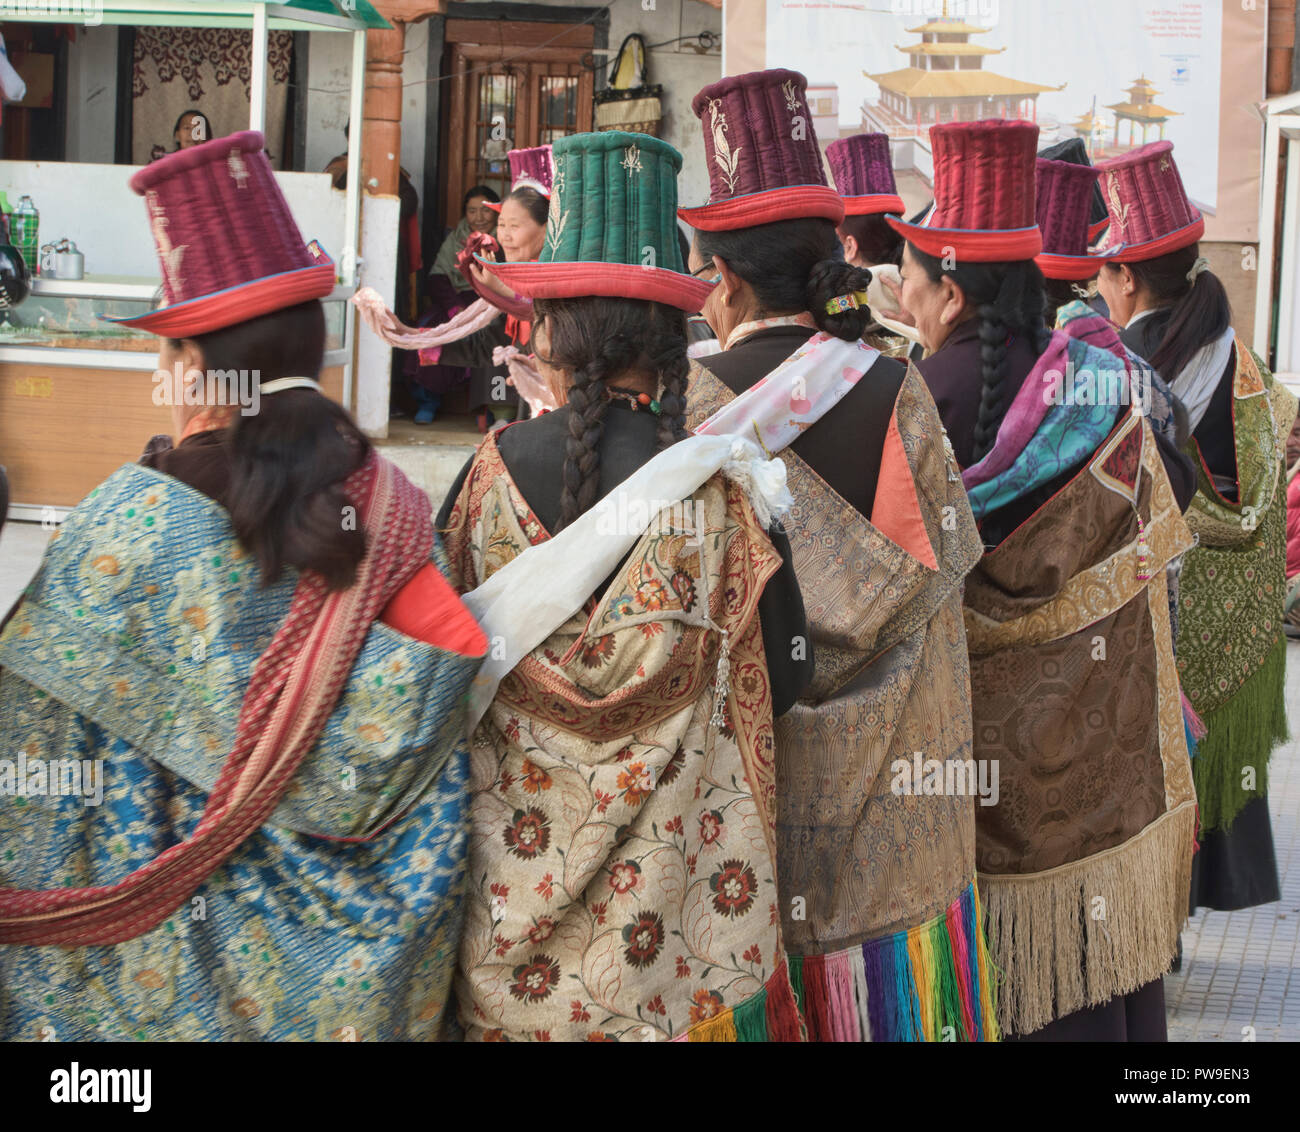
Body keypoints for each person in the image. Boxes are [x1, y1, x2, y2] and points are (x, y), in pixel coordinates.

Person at [0, 131, 486, 1041]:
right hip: (334, 978)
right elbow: (426, 728)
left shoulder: (126, 527)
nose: (158, 376)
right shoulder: (391, 508)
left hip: (145, 967)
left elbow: (30, 770)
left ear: (196, 367)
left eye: (166, 350)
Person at [437, 130, 811, 1042]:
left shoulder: (486, 479)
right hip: (669, 952)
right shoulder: (724, 498)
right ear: (668, 336)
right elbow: (788, 677)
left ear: (551, 331)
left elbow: (432, 672)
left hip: (504, 931)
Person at [681, 69, 997, 1042]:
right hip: (886, 805)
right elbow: (951, 573)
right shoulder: (895, 390)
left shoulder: (686, 419)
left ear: (722, 279)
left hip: (751, 801)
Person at [894, 119, 1198, 1042]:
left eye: (907, 277)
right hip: (1093, 752)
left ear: (950, 292)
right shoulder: (1105, 388)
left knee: (995, 973)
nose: (897, 295)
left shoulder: (911, 404)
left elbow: (880, 586)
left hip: (966, 760)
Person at [1097, 141, 1299, 914]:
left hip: (1155, 599)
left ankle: (1155, 922)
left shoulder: (1117, 365)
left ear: (1126, 276)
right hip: (1233, 603)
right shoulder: (1238, 359)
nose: (1097, 287)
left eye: (1103, 272)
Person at [407, 185, 501, 424]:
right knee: (432, 329)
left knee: (493, 336)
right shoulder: (457, 237)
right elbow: (437, 277)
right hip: (457, 299)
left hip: (494, 301)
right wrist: (454, 307)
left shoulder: (506, 235)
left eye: (485, 211)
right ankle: (428, 401)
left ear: (497, 212)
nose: (478, 218)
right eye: (471, 211)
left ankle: (494, 407)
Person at [150, 109, 214, 161]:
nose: (192, 133)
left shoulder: (215, 165)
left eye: (198, 129)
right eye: (187, 128)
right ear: (177, 135)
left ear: (207, 136)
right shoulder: (165, 163)